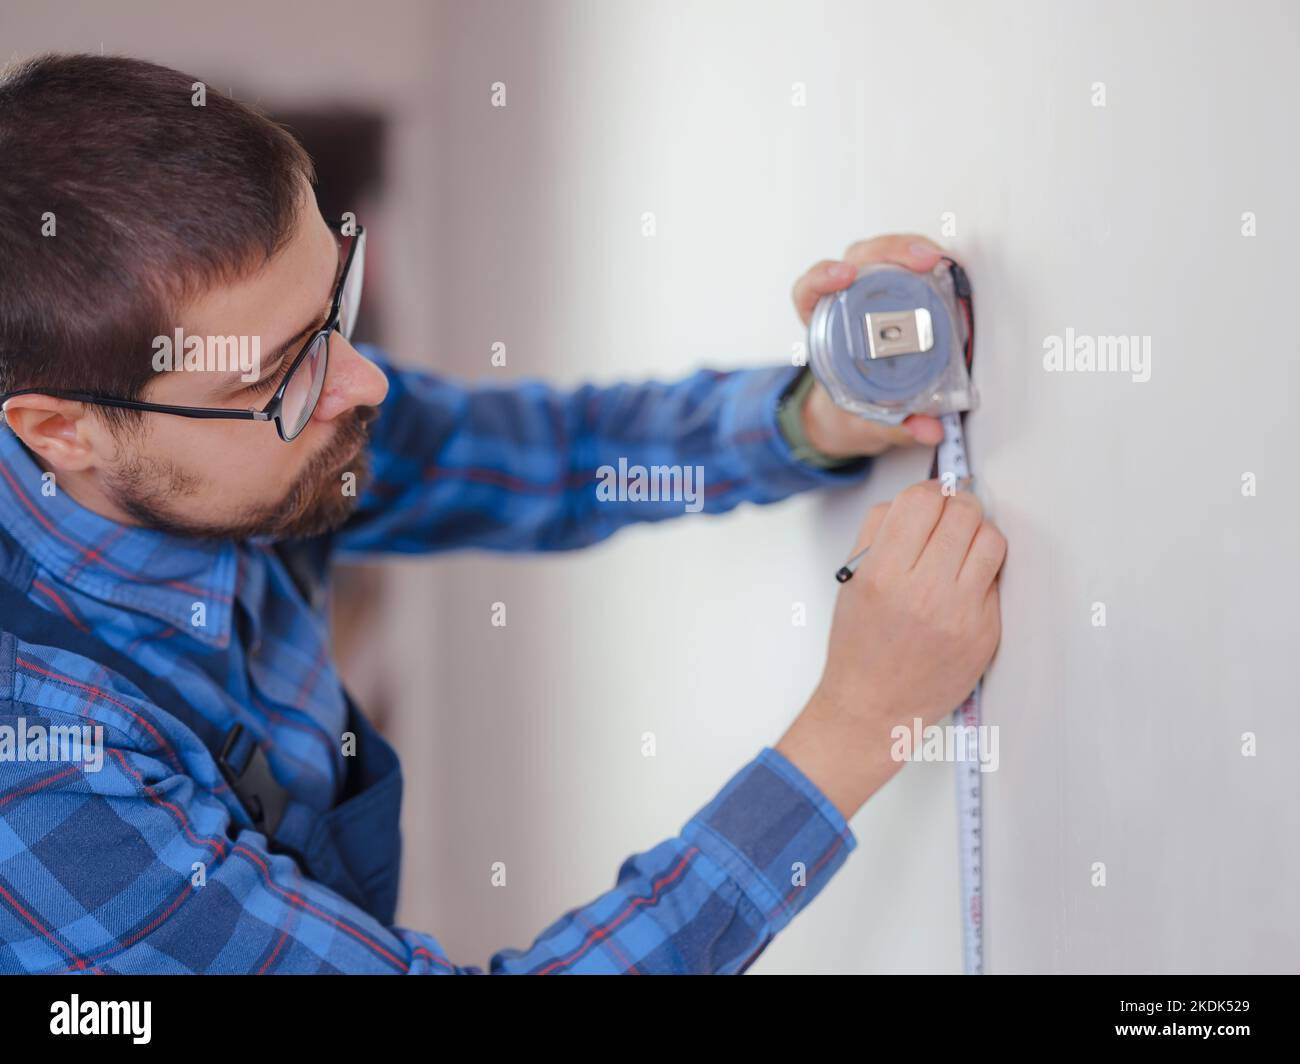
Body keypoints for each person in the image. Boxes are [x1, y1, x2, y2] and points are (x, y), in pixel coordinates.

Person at [0, 53, 1005, 974]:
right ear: (60, 431)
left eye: (334, 311)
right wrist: (858, 724)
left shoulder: (245, 422)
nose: (363, 383)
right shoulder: (44, 783)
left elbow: (549, 458)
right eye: (282, 375)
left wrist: (820, 410)